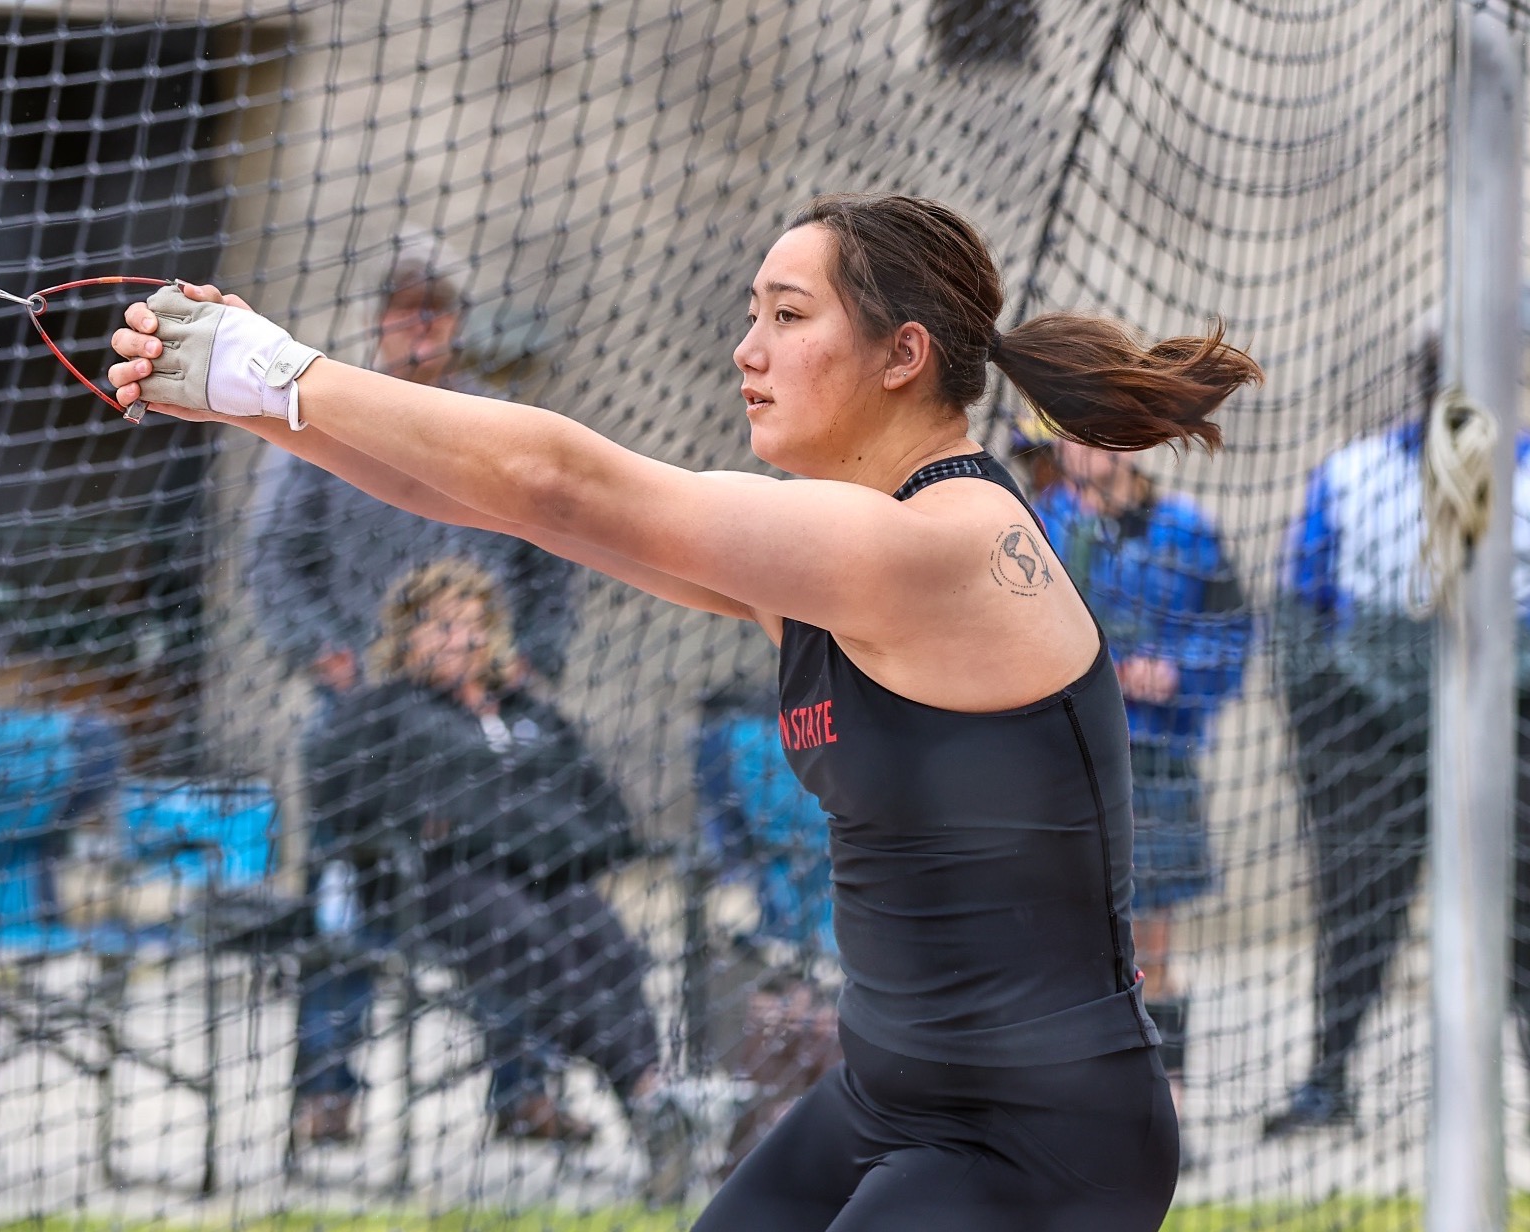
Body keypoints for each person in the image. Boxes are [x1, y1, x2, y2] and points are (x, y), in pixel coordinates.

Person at [109, 192, 1260, 1226]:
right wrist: (247, 404)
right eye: (749, 313)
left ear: (902, 352)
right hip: (888, 1096)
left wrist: (279, 367)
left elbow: (561, 477)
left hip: (1038, 1137)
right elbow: (496, 502)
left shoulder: (937, 542)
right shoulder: (833, 555)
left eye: (786, 316)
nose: (744, 349)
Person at [244, 237, 580, 1148]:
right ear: (379, 321)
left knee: (515, 884)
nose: (418, 325)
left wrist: (530, 657)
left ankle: (524, 1090)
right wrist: (326, 655)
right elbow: (273, 560)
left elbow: (555, 552)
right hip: (367, 719)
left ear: (457, 322)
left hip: (479, 713)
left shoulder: (499, 421)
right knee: (345, 892)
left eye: (433, 309)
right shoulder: (332, 419)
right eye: (403, 309)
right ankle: (327, 1090)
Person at [302, 556, 659, 1160]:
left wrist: (538, 835)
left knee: (610, 947)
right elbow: (344, 806)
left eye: (473, 625)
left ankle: (654, 1109)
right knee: (532, 942)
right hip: (434, 886)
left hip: (539, 875)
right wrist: (468, 824)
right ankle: (645, 1086)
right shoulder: (383, 710)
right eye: (441, 625)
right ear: (406, 636)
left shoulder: (525, 712)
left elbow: (599, 805)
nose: (460, 639)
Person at [1262, 335, 1530, 1137]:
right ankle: (1327, 1079)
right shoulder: (1353, 475)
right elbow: (1302, 606)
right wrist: (1328, 720)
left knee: (1522, 913)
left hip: (1509, 726)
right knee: (1358, 908)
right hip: (1370, 730)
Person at [1026, 437, 1250, 1159]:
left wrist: (1176, 673)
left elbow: (1234, 635)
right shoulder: (1040, 523)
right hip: (1059, 758)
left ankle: (1165, 1110)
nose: (1076, 449)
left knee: (1150, 939)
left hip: (1153, 754)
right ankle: (1073, 1111)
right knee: (1061, 939)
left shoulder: (1186, 529)